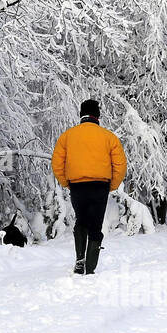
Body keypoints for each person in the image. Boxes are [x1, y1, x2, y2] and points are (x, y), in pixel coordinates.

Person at [51, 99, 127, 275]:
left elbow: (57, 163)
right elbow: (120, 165)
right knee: (95, 225)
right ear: (97, 116)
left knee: (81, 221)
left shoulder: (67, 136)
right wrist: (112, 185)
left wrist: (66, 182)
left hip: (77, 185)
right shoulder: (109, 137)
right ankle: (90, 268)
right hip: (100, 185)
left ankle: (80, 260)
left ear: (81, 115)